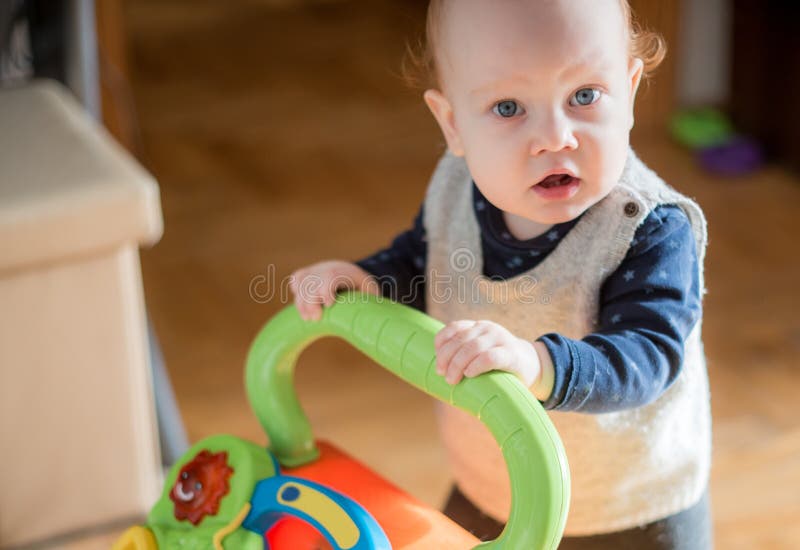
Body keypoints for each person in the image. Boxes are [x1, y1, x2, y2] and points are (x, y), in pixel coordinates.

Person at [289, 1, 712, 548]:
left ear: (629, 93)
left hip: (629, 508)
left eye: (584, 96)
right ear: (453, 124)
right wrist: (365, 279)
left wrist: (537, 363)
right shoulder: (455, 185)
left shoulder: (646, 228)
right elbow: (423, 263)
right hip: (495, 484)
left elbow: (647, 355)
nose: (556, 137)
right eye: (509, 107)